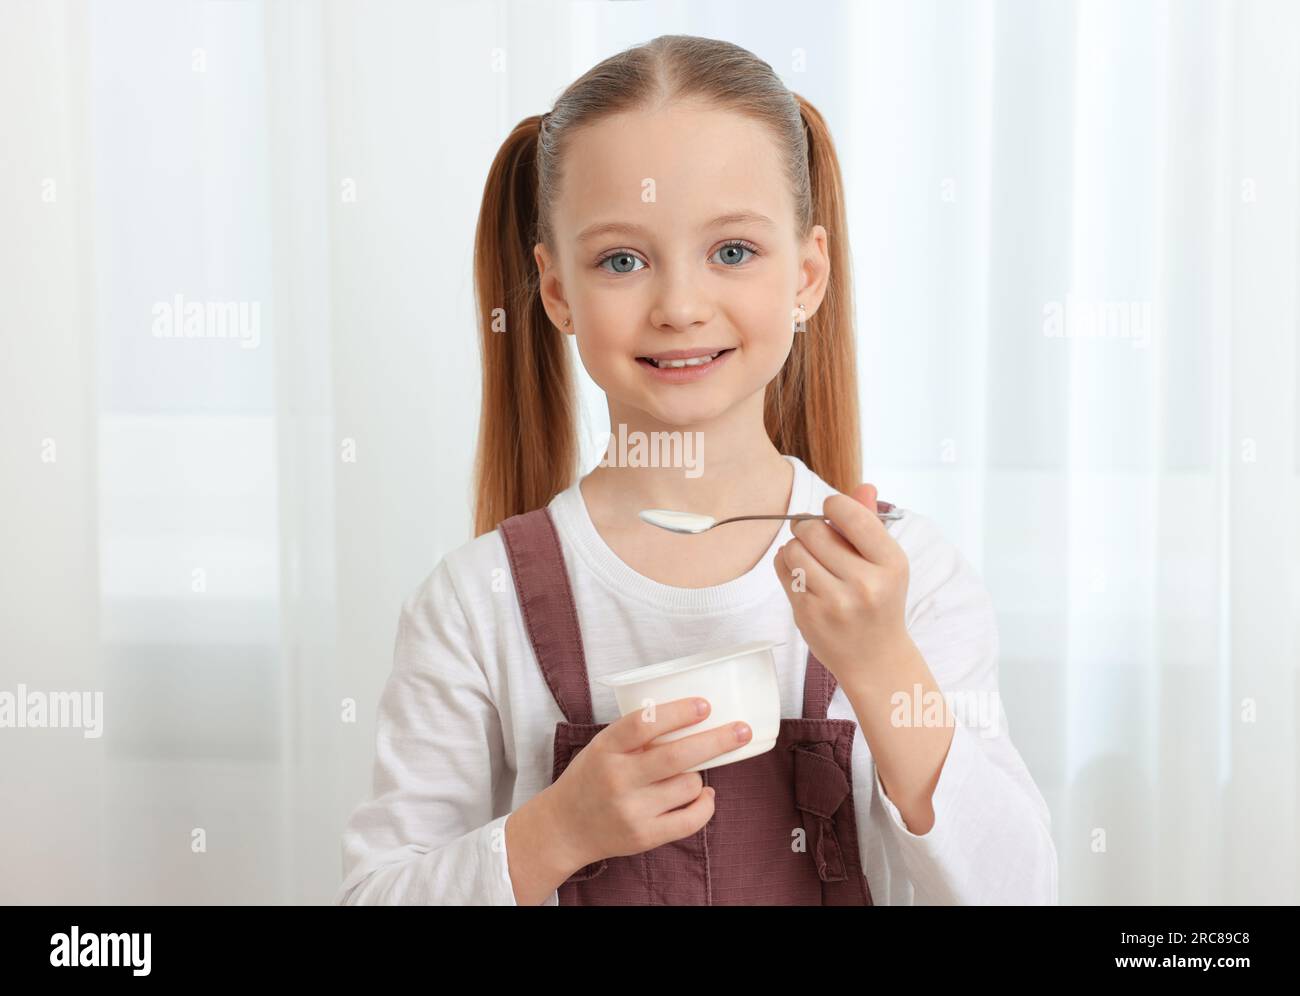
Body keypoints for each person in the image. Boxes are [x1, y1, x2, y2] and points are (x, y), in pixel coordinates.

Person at [336, 33, 1057, 906]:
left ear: (808, 273)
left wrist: (882, 667)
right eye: (622, 261)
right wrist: (555, 832)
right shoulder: (473, 603)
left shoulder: (906, 582)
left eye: (732, 251)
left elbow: (1020, 891)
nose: (679, 307)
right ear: (556, 290)